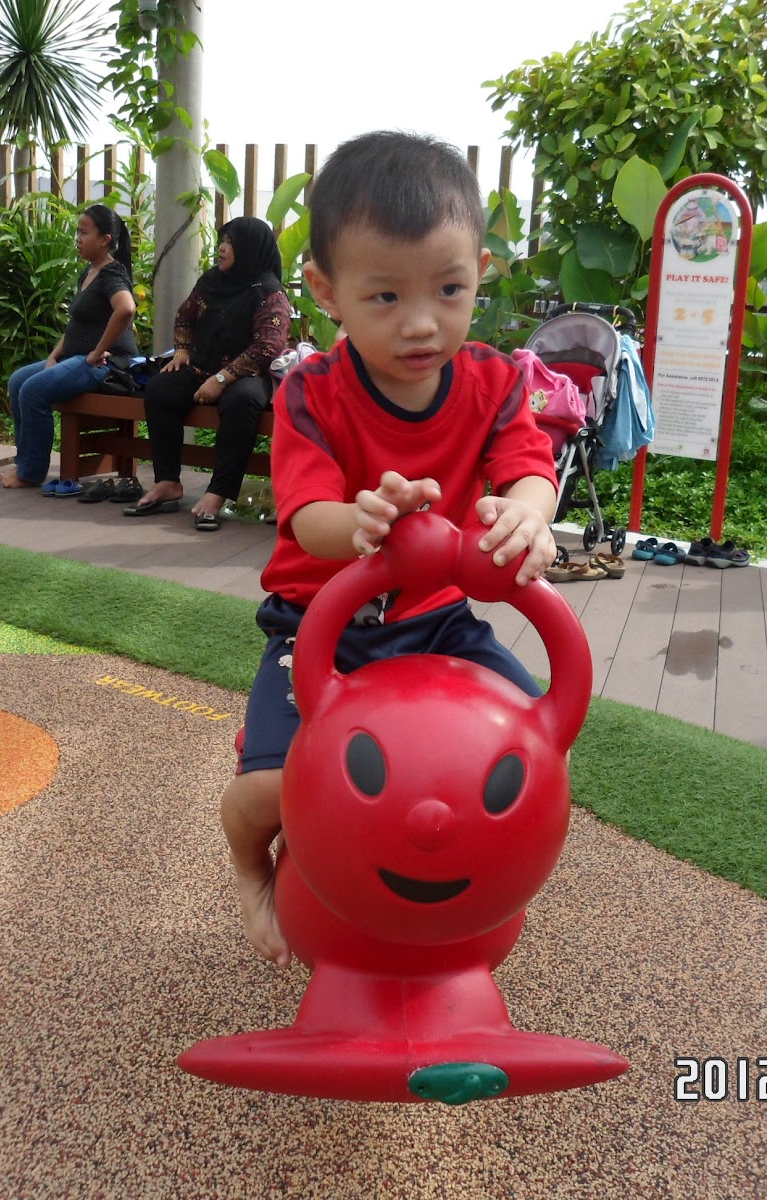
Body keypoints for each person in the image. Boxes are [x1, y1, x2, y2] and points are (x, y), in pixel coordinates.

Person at [219, 131, 560, 966]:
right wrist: (364, 523)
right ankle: (247, 871)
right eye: (384, 298)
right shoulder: (312, 393)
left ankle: (465, 894)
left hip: (437, 623)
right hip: (323, 625)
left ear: (481, 270)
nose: (421, 323)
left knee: (532, 746)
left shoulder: (494, 381)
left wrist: (528, 516)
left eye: (450, 290)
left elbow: (528, 470)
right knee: (268, 789)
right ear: (327, 291)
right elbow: (307, 521)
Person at [124, 217, 291, 529]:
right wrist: (183, 351)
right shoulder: (211, 281)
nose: (221, 249)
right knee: (161, 389)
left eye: (229, 243)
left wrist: (223, 378)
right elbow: (185, 316)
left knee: (241, 403)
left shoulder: (269, 292)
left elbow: (268, 346)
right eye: (221, 241)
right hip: (202, 367)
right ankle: (168, 482)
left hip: (247, 375)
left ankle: (218, 493)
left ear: (250, 249)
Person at [0, 204, 137, 495]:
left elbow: (126, 309)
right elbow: (77, 323)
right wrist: (53, 355)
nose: (77, 238)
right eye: (77, 231)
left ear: (105, 240)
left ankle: (31, 472)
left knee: (33, 391)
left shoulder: (112, 273)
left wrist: (98, 351)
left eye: (84, 232)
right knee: (18, 381)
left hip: (107, 365)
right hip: (75, 357)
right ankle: (25, 463)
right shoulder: (89, 272)